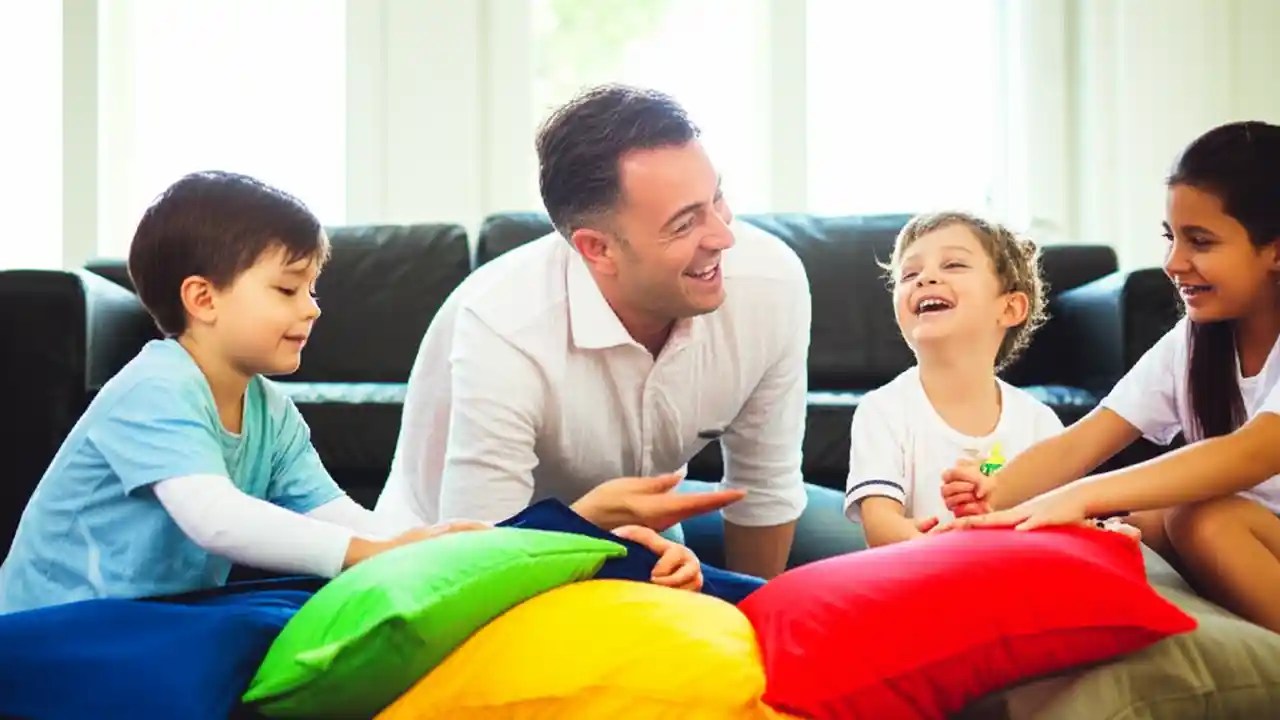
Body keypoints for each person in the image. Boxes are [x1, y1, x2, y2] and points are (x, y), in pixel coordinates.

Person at [0, 171, 698, 613]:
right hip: (58, 625)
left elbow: (338, 514)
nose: (312, 309)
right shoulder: (156, 385)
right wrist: (377, 557)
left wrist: (437, 544)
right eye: (286, 289)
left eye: (312, 289)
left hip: (158, 612)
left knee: (299, 607)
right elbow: (213, 519)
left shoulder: (270, 408)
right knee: (276, 621)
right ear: (201, 298)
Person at [376, 84, 847, 579]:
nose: (724, 237)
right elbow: (483, 562)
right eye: (685, 224)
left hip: (647, 520)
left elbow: (765, 487)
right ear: (597, 249)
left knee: (881, 550)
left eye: (717, 198)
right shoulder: (502, 326)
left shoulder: (770, 281)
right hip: (471, 551)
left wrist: (761, 617)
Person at [938, 121, 1280, 633]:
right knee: (1122, 529)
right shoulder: (1195, 341)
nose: (1173, 263)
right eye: (1171, 237)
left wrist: (1081, 495)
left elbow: (1253, 451)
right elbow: (1084, 441)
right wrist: (993, 500)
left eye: (1201, 242)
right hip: (1258, 533)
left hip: (1241, 527)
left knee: (1198, 518)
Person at [843, 211, 1065, 547]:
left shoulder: (1039, 422)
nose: (925, 278)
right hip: (923, 576)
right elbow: (881, 527)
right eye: (909, 273)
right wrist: (950, 545)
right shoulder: (882, 411)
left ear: (1009, 309)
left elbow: (1059, 519)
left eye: (954, 265)